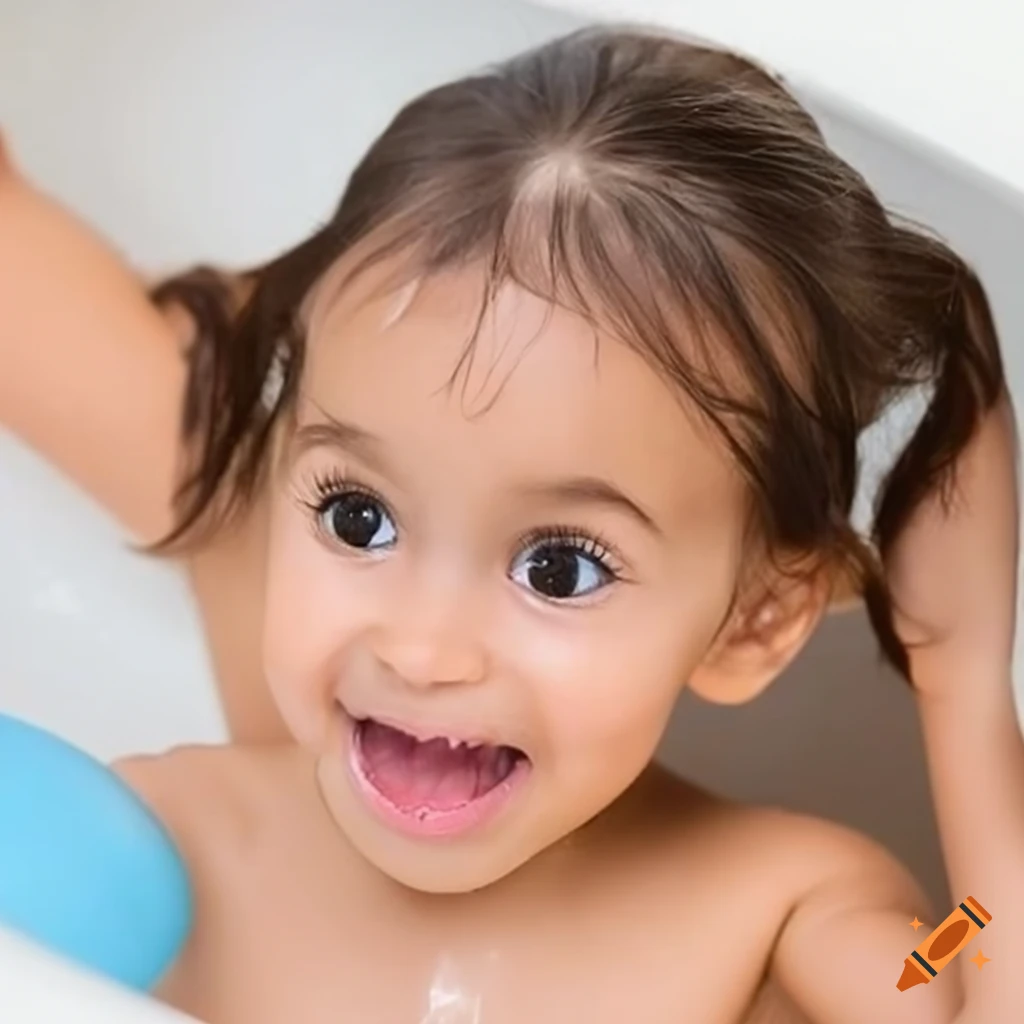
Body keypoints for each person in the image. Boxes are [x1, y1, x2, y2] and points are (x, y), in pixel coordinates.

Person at [1, 26, 1020, 1023]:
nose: (423, 648)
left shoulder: (777, 912)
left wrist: (964, 680)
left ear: (755, 618)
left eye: (560, 567)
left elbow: (980, 962)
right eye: (357, 517)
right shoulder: (167, 839)